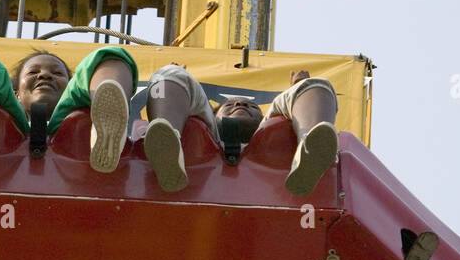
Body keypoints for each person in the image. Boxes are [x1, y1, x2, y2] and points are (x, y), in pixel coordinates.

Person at [0, 38, 139, 171]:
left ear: (71, 89)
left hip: (67, 132)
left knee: (108, 56)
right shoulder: (9, 104)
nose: (44, 75)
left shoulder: (73, 101)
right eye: (32, 72)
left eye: (58, 73)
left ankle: (106, 125)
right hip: (11, 131)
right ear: (16, 93)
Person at [142, 66, 338, 195]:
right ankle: (167, 141)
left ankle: (308, 150)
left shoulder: (269, 130)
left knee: (313, 85)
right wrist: (177, 87)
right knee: (169, 73)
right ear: (212, 113)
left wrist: (298, 86)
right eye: (229, 105)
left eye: (250, 106)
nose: (240, 104)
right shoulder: (207, 125)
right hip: (200, 150)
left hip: (269, 154)